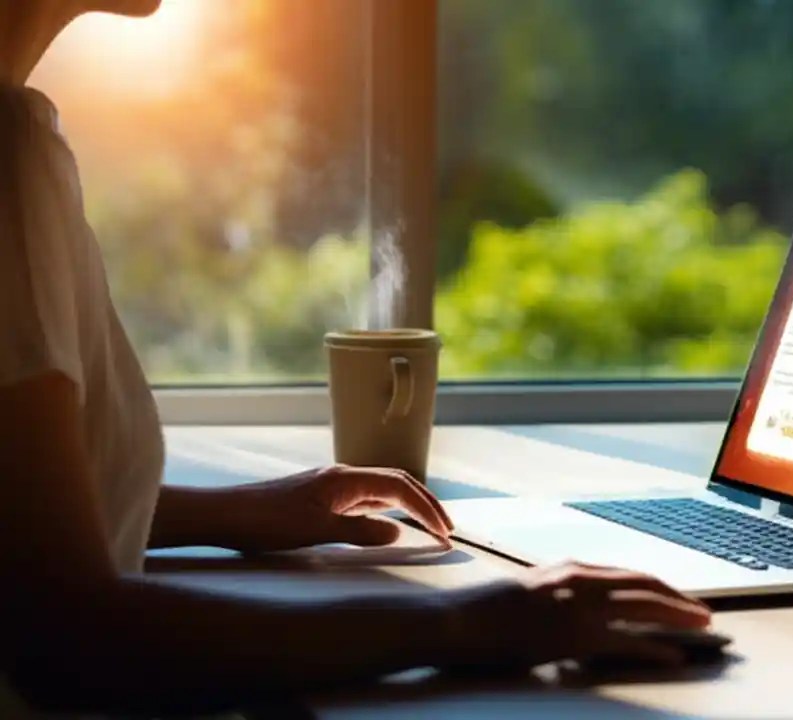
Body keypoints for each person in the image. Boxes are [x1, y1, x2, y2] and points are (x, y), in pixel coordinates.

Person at [0, 1, 711, 716]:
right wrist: (469, 623)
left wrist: (236, 513)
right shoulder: (9, 154)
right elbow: (69, 635)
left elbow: (25, 534)